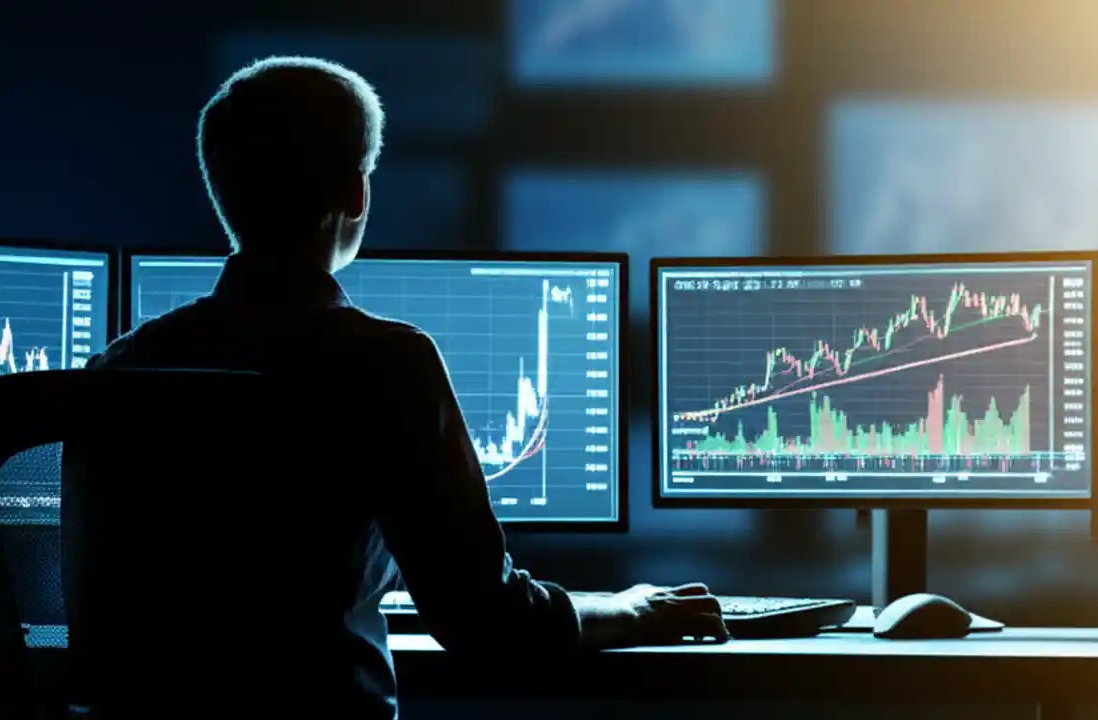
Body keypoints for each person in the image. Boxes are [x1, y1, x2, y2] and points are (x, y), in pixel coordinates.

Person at [69, 56, 726, 716]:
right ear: (356, 194)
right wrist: (632, 610)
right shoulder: (387, 365)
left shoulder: (117, 370)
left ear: (223, 194)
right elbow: (487, 622)